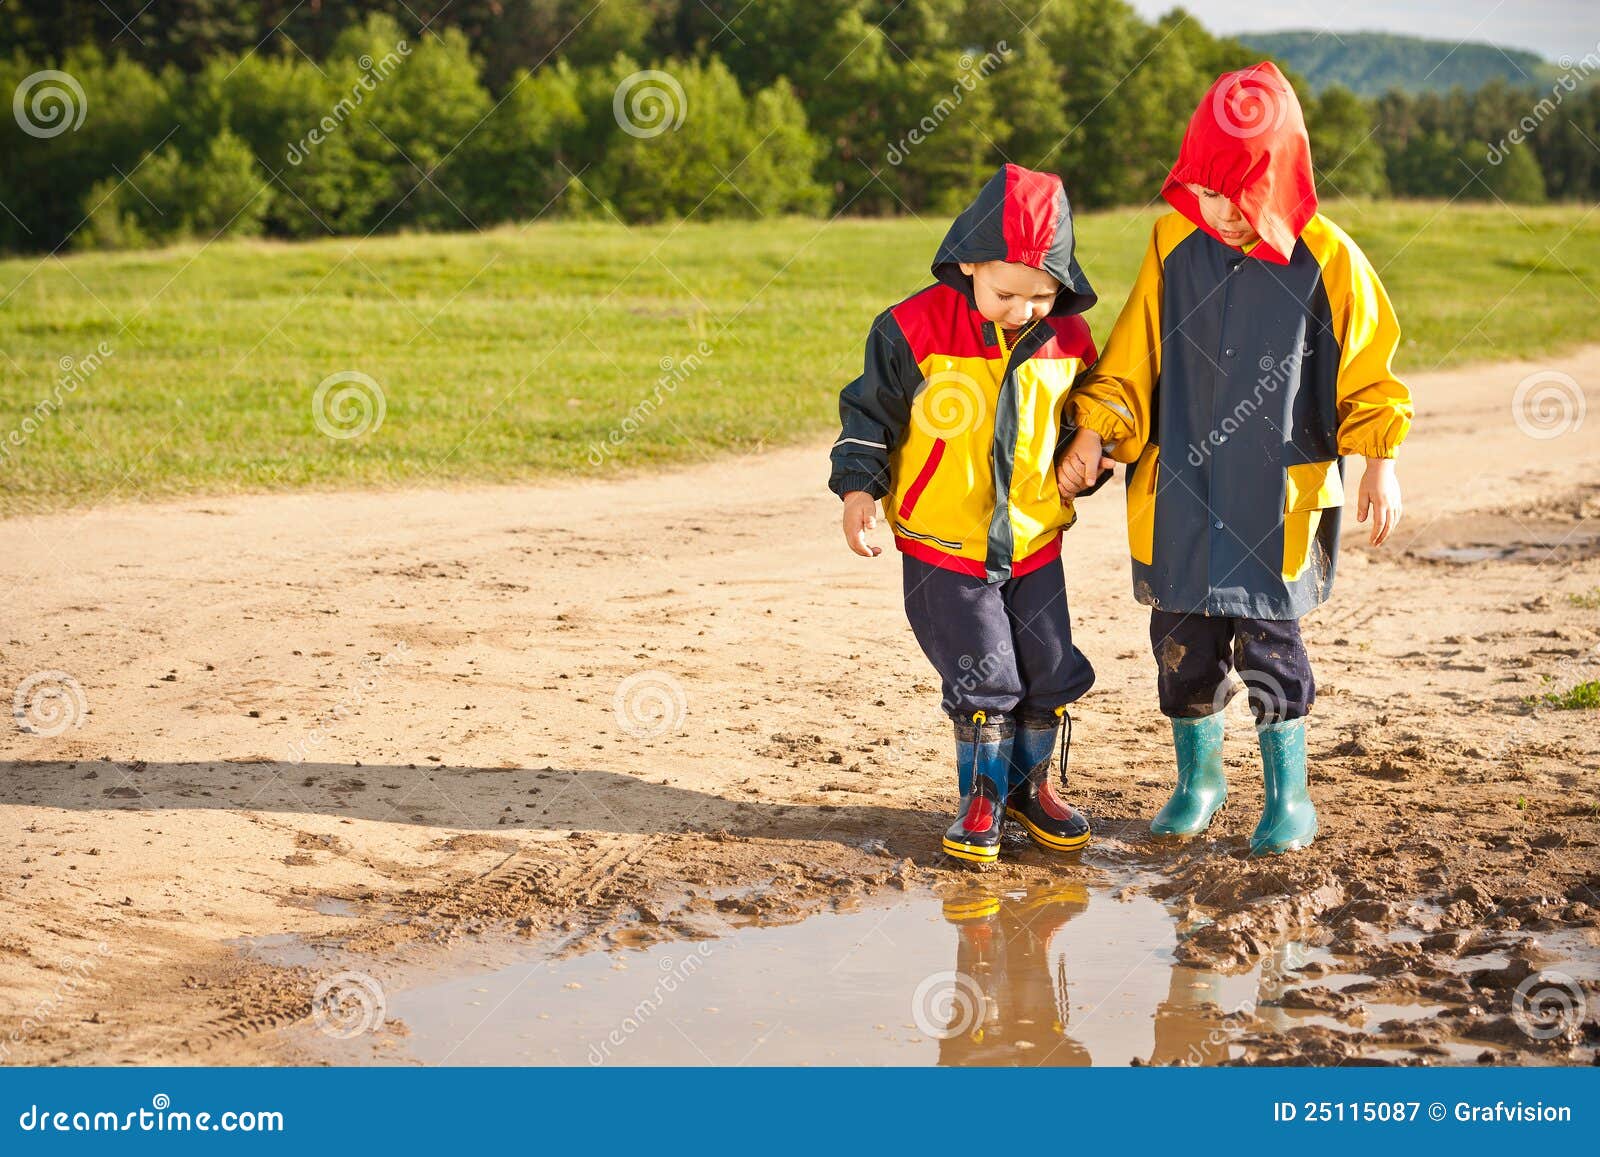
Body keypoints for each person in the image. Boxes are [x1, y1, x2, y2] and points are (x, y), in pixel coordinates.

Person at [1057, 62, 1413, 855]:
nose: (1219, 213)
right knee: (1181, 647)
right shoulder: (1172, 239)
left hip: (1272, 500)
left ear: (1278, 179)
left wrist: (1380, 458)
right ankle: (1199, 781)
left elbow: (1368, 368)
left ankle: (1290, 798)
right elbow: (1133, 352)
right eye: (1207, 193)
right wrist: (1092, 430)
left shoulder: (1331, 258)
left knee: (1270, 647)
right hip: (1178, 490)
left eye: (1237, 197)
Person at [828, 163, 1110, 866]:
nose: (1023, 311)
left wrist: (1092, 454)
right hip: (943, 545)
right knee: (986, 677)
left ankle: (1029, 788)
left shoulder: (1069, 339)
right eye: (1006, 293)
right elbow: (870, 414)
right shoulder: (909, 326)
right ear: (968, 263)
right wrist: (859, 487)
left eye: (1042, 296)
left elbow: (1085, 423)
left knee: (1049, 668)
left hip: (1034, 539)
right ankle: (979, 796)